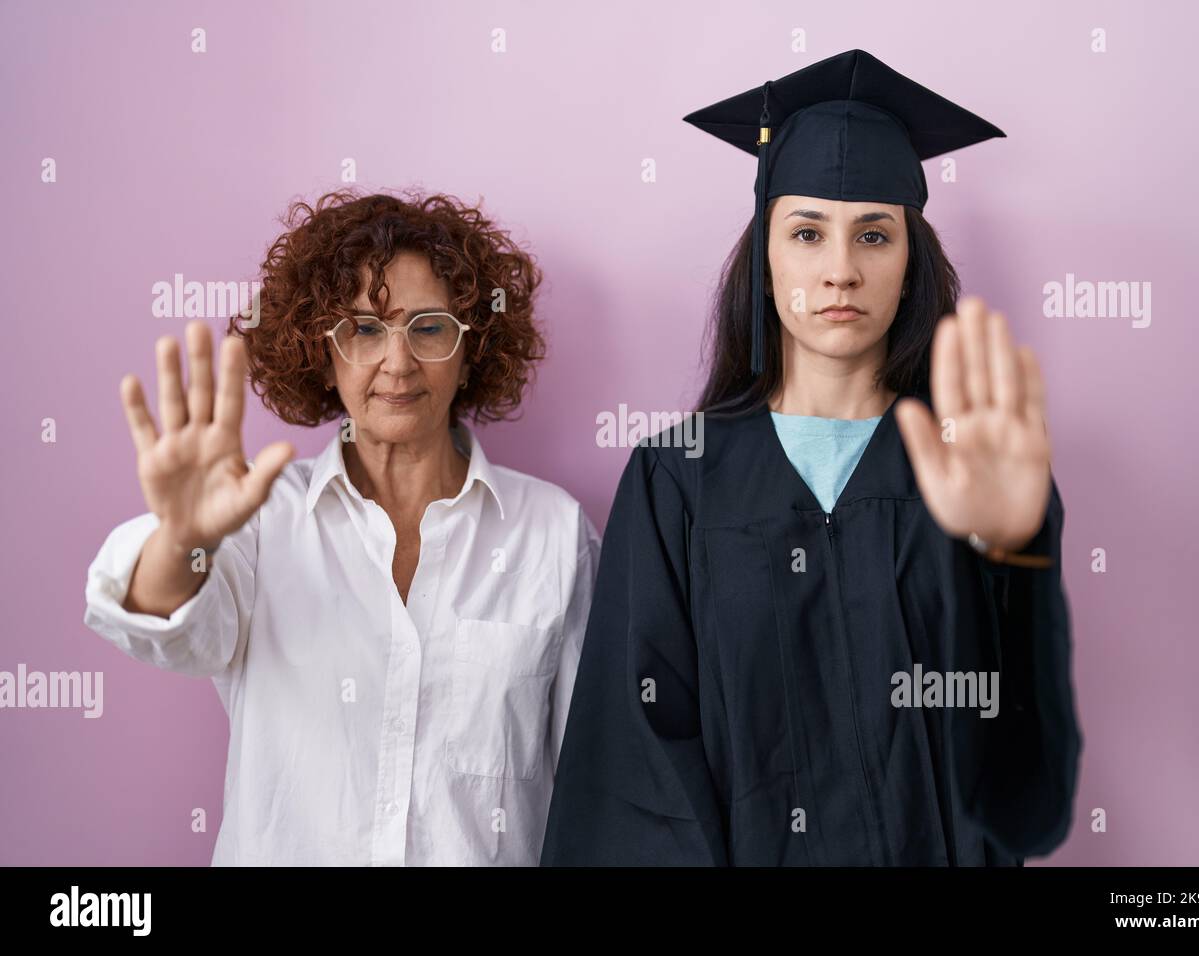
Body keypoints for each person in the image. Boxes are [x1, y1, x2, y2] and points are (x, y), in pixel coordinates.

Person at [541, 50, 1082, 865]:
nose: (840, 270)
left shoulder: (970, 467)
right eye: (806, 233)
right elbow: (636, 759)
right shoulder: (678, 479)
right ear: (765, 257)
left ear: (911, 263)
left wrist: (1019, 554)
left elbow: (1023, 784)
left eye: (874, 233)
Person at [84, 189, 599, 866]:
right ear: (321, 354)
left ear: (474, 349)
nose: (398, 362)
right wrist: (183, 538)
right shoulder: (261, 515)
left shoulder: (553, 536)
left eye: (430, 326)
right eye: (363, 329)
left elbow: (595, 780)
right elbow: (166, 626)